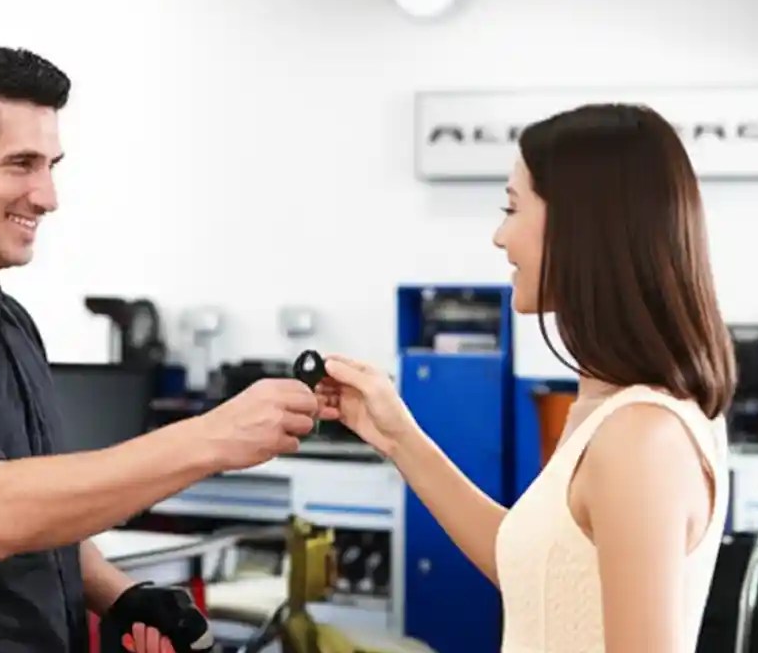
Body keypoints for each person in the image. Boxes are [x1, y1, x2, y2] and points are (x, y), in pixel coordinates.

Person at [0, 43, 320, 653]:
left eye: (52, 165)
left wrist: (119, 595)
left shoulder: (12, 324)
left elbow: (44, 513)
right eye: (21, 164)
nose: (48, 197)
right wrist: (213, 438)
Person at [314, 103, 736, 652]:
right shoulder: (607, 408)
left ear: (581, 228)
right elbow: (538, 574)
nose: (498, 236)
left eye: (512, 209)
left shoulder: (641, 438)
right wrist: (397, 436)